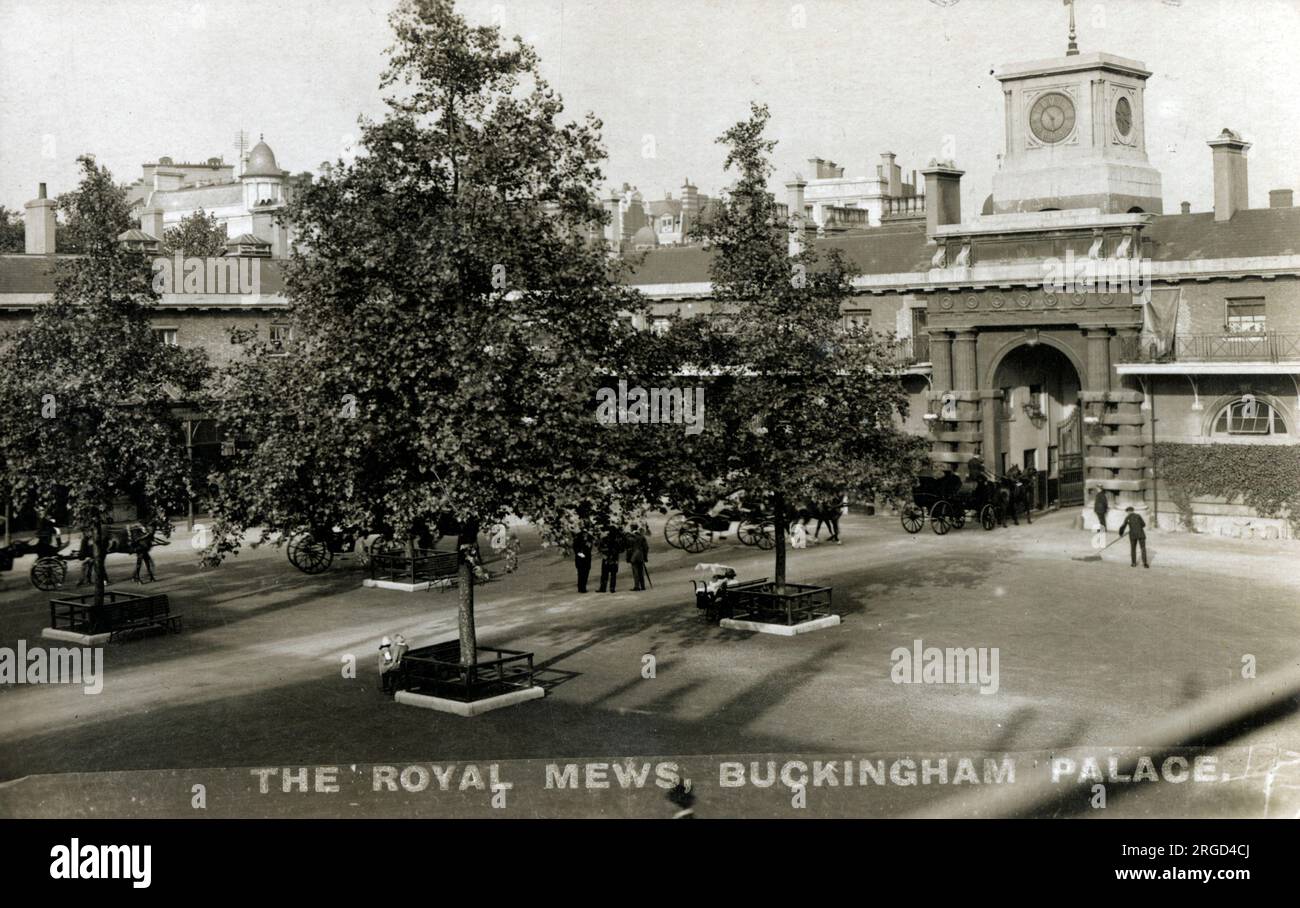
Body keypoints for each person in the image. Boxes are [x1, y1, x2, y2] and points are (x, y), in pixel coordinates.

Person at [597, 525, 624, 593]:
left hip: (606, 558)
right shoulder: (617, 540)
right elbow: (621, 549)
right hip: (614, 559)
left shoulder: (605, 539)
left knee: (604, 574)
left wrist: (605, 551)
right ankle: (612, 588)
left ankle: (603, 588)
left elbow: (600, 548)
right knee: (613, 574)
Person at [625, 525, 649, 591]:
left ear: (632, 528)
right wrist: (645, 556)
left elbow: (628, 548)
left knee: (635, 572)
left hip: (633, 556)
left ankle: (637, 586)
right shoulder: (642, 537)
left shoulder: (630, 537)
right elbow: (646, 547)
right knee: (641, 571)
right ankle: (643, 586)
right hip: (641, 555)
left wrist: (628, 558)